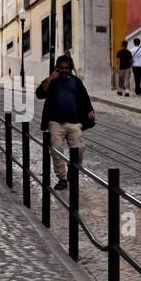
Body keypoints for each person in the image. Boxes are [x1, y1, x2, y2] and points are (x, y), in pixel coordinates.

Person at [35, 54, 96, 191]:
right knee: (57, 150)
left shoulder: (76, 82)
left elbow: (85, 99)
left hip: (74, 123)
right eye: (61, 68)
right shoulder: (52, 81)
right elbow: (39, 94)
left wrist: (90, 112)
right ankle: (62, 179)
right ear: (57, 68)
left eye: (67, 68)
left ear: (70, 69)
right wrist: (51, 78)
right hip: (56, 123)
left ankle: (71, 170)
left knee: (79, 149)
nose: (64, 70)